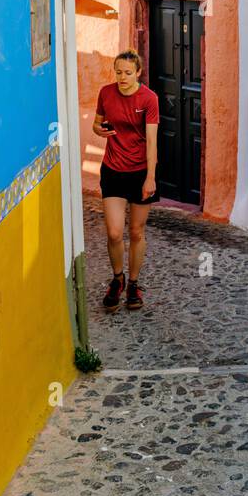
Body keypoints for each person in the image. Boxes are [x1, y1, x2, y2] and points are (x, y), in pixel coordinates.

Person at [92, 50, 160, 312]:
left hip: (141, 172)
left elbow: (152, 140)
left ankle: (133, 283)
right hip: (112, 170)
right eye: (118, 72)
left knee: (136, 232)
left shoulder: (149, 98)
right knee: (114, 232)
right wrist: (100, 130)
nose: (122, 77)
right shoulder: (106, 93)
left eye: (128, 73)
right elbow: (97, 124)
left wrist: (150, 177)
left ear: (138, 73)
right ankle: (117, 279)